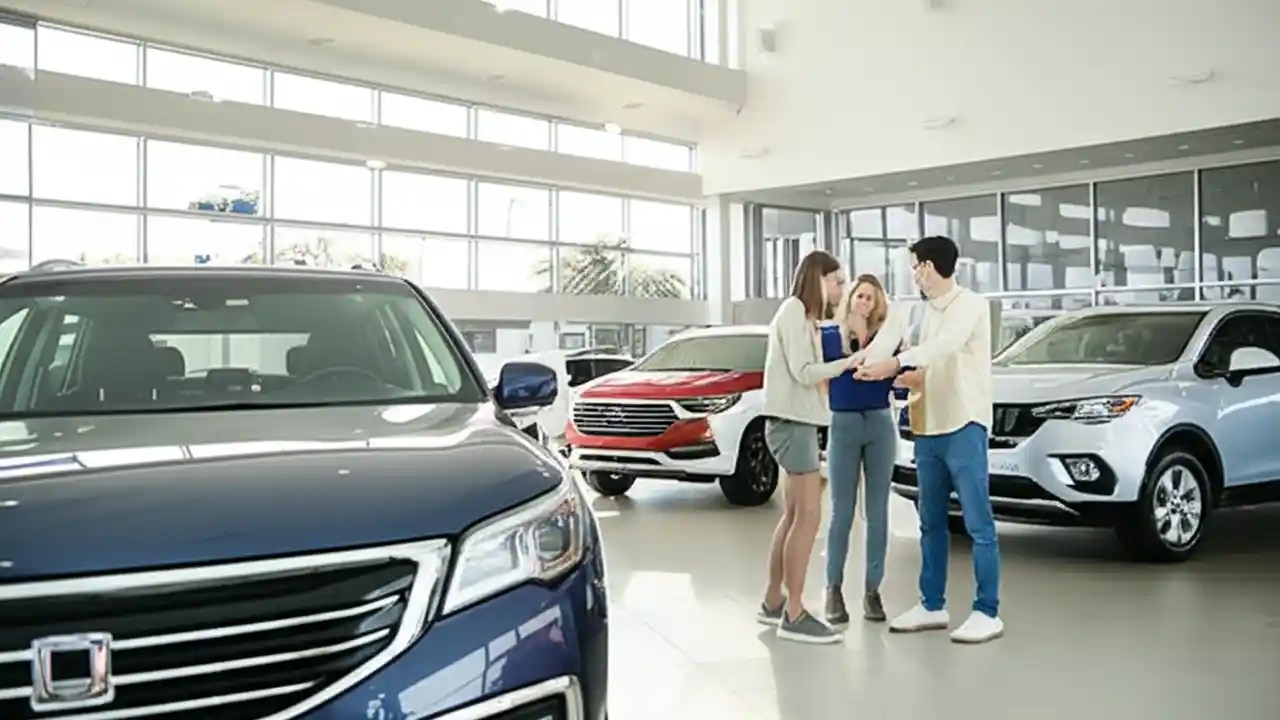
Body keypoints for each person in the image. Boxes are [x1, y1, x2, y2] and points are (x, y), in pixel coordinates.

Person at [854, 235, 1004, 644]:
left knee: (978, 522)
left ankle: (987, 611)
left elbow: (945, 346)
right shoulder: (919, 311)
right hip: (927, 426)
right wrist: (873, 368)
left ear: (928, 267)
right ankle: (932, 604)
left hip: (964, 423)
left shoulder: (970, 305)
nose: (914, 275)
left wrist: (895, 363)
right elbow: (909, 358)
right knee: (931, 521)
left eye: (915, 267)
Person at [757, 250, 860, 644]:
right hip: (792, 426)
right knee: (809, 517)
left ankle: (774, 602)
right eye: (837, 281)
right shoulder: (794, 312)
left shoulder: (804, 318)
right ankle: (795, 613)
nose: (841, 289)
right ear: (819, 279)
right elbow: (804, 373)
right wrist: (847, 364)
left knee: (794, 515)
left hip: (795, 424)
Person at [819, 274, 900, 626]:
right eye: (861, 295)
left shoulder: (888, 339)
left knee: (878, 510)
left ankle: (872, 590)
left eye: (871, 298)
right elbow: (821, 380)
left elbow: (902, 379)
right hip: (845, 423)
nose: (865, 302)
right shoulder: (830, 337)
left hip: (880, 423)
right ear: (851, 297)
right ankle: (833, 589)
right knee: (842, 509)